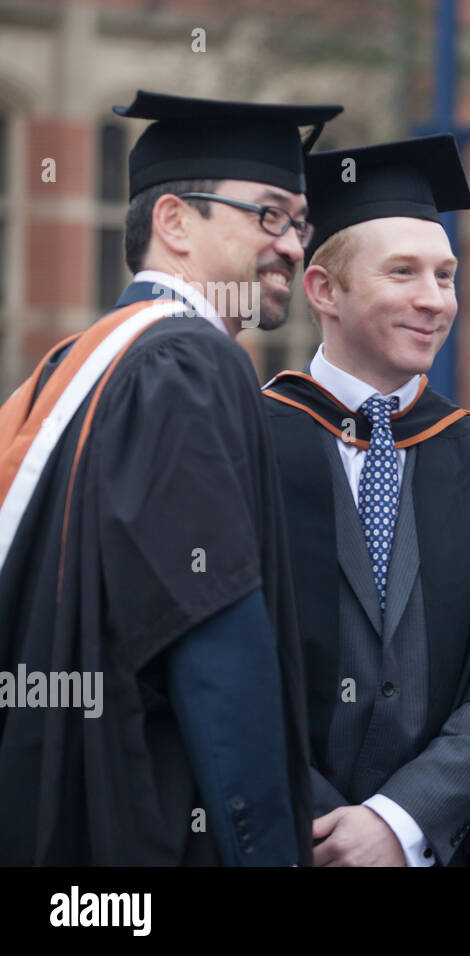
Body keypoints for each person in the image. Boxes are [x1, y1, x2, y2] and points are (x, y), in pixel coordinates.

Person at [0, 90, 342, 865]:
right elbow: (214, 644)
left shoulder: (74, 366)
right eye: (268, 215)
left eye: (299, 222)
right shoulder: (185, 364)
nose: (293, 245)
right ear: (175, 222)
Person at [262, 136, 470, 866]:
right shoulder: (247, 442)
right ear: (324, 289)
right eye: (404, 272)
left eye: (447, 276)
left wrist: (398, 821)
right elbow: (225, 674)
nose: (434, 299)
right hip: (279, 836)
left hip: (436, 847)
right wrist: (325, 822)